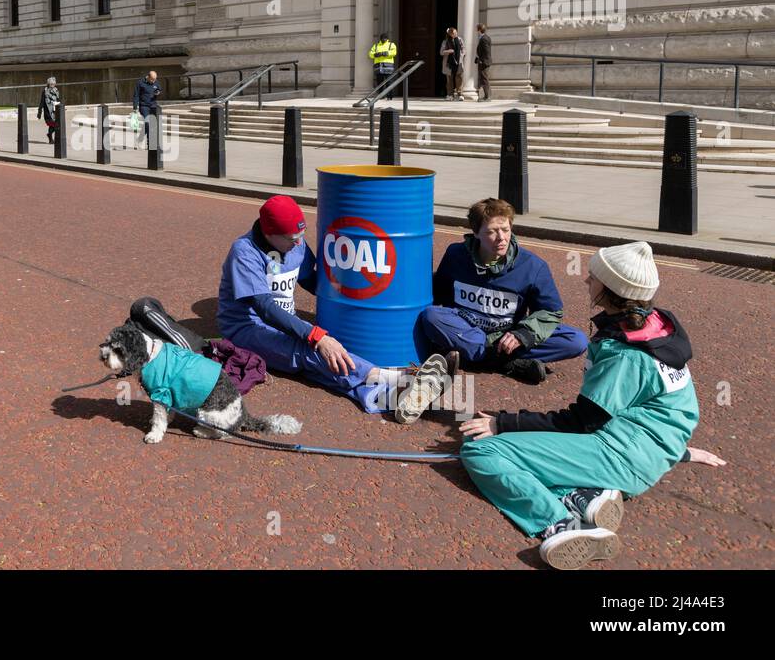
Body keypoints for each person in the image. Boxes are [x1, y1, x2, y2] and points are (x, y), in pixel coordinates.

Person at [458, 242, 716, 570]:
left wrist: (503, 423)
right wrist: (677, 450)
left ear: (611, 291)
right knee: (510, 444)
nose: (586, 281)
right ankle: (585, 495)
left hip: (623, 453)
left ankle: (563, 523)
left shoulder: (625, 354)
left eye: (593, 277)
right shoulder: (656, 327)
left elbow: (582, 420)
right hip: (647, 445)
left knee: (481, 450)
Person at [216, 196, 413, 414]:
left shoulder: (294, 245)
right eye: (293, 238)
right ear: (269, 234)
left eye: (302, 235)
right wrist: (316, 337)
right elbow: (265, 307)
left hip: (280, 321)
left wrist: (353, 303)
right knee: (306, 350)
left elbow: (311, 280)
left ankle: (381, 398)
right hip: (245, 328)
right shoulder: (244, 252)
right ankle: (395, 378)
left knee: (312, 364)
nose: (299, 243)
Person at [399, 198, 588, 422]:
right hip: (466, 330)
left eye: (506, 230)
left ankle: (477, 357)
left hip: (507, 338)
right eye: (492, 232)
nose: (501, 238)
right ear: (476, 233)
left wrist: (522, 334)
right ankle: (507, 363)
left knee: (576, 340)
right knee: (431, 316)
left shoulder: (533, 266)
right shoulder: (456, 255)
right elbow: (438, 294)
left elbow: (551, 311)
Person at [132, 70, 162, 148]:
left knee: (151, 124)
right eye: (152, 79)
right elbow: (136, 95)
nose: (153, 81)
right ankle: (150, 144)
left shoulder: (156, 82)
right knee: (148, 122)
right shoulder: (140, 83)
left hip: (153, 105)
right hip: (144, 106)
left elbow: (159, 89)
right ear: (148, 77)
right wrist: (135, 107)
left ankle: (139, 139)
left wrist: (158, 92)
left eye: (154, 79)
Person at [439, 27, 464, 100]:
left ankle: (460, 94)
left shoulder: (459, 40)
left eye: (456, 32)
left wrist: (461, 57)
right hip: (448, 63)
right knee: (449, 79)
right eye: (454, 33)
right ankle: (450, 95)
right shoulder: (445, 41)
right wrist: (448, 51)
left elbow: (463, 49)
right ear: (450, 34)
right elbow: (441, 52)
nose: (455, 34)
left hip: (458, 62)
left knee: (459, 78)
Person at [37, 76, 60, 145]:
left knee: (55, 125)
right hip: (48, 111)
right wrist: (39, 112)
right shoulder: (45, 91)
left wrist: (61, 107)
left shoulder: (56, 90)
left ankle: (49, 135)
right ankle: (50, 137)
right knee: (53, 124)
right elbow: (42, 102)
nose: (52, 85)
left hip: (55, 111)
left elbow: (58, 100)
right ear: (48, 84)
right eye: (51, 84)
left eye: (53, 84)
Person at [475, 23, 492, 101]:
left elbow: (486, 51)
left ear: (479, 30)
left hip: (484, 62)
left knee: (484, 79)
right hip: (483, 61)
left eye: (477, 29)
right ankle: (486, 96)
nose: (476, 31)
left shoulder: (484, 38)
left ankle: (487, 97)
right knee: (484, 78)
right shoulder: (485, 37)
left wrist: (482, 60)